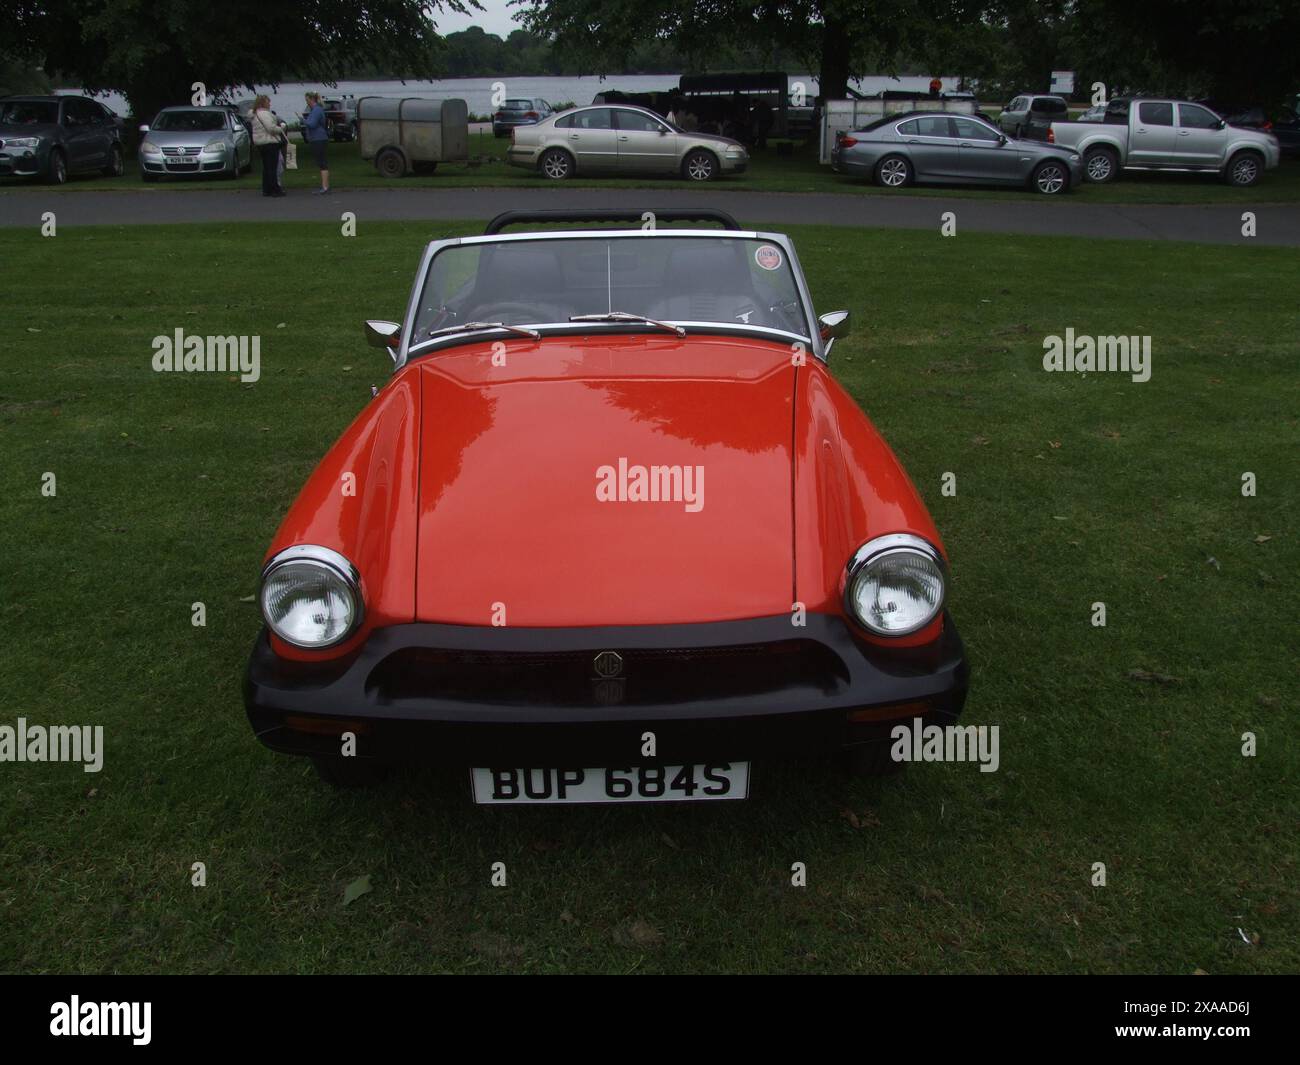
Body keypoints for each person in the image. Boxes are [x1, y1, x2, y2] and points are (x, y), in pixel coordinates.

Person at [251, 95, 286, 197]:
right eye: (268, 102)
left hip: (260, 143)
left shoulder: (255, 114)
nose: (270, 104)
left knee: (266, 167)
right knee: (272, 167)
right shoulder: (264, 114)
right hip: (269, 143)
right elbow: (271, 128)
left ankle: (266, 188)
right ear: (263, 103)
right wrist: (282, 127)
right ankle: (275, 189)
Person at [303, 92, 330, 195]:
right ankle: (325, 185)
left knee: (322, 162)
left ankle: (325, 187)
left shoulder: (316, 110)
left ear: (311, 99)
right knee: (321, 162)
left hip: (318, 138)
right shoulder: (316, 110)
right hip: (318, 138)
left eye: (307, 100)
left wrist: (303, 120)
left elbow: (312, 124)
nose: (306, 102)